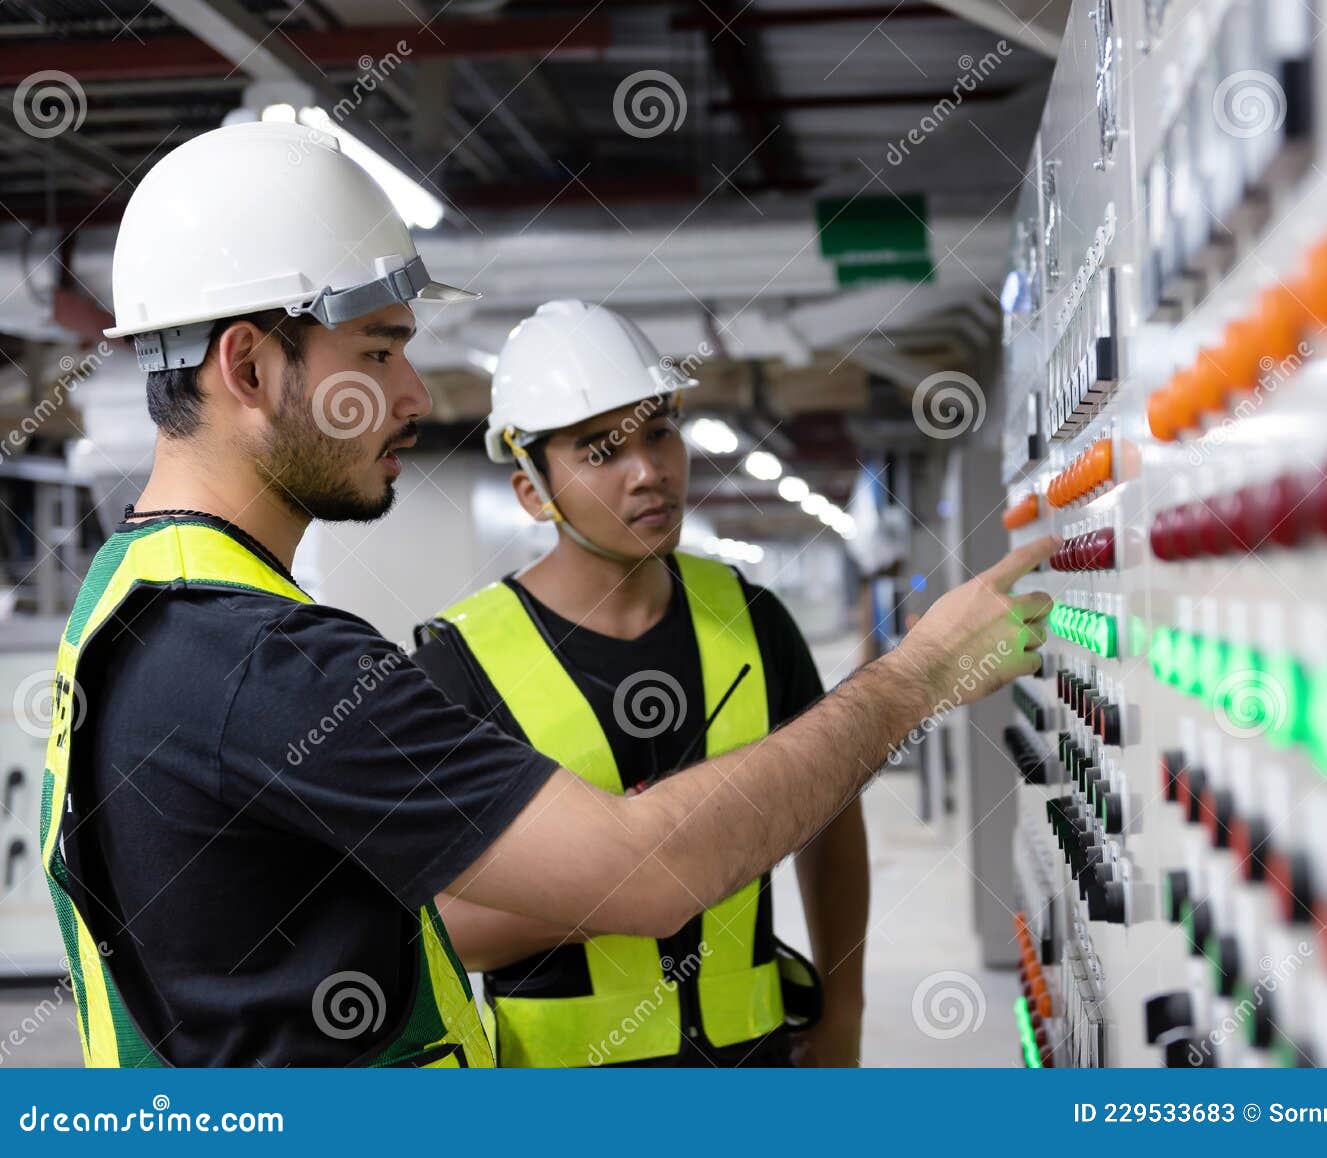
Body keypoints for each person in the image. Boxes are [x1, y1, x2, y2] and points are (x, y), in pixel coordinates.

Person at [39, 120, 1055, 1067]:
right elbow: (647, 873)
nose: (416, 397)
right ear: (251, 369)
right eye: (380, 353)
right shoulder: (270, 666)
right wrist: (918, 674)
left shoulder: (130, 607)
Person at [412, 301, 868, 1067]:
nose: (649, 471)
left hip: (754, 1064)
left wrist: (843, 1010)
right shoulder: (459, 666)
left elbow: (830, 820)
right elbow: (433, 927)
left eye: (659, 432)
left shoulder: (753, 622)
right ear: (532, 490)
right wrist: (624, 879)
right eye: (600, 452)